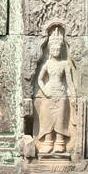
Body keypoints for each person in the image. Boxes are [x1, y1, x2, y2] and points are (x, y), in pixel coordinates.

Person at [34, 22, 76, 155]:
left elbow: (69, 82)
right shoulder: (47, 64)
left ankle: (60, 142)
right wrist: (45, 91)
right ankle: (48, 141)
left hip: (61, 94)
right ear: (50, 50)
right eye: (54, 48)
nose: (56, 50)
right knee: (47, 118)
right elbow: (40, 79)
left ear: (61, 49)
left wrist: (73, 96)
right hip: (48, 93)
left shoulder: (65, 64)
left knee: (60, 119)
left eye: (58, 48)